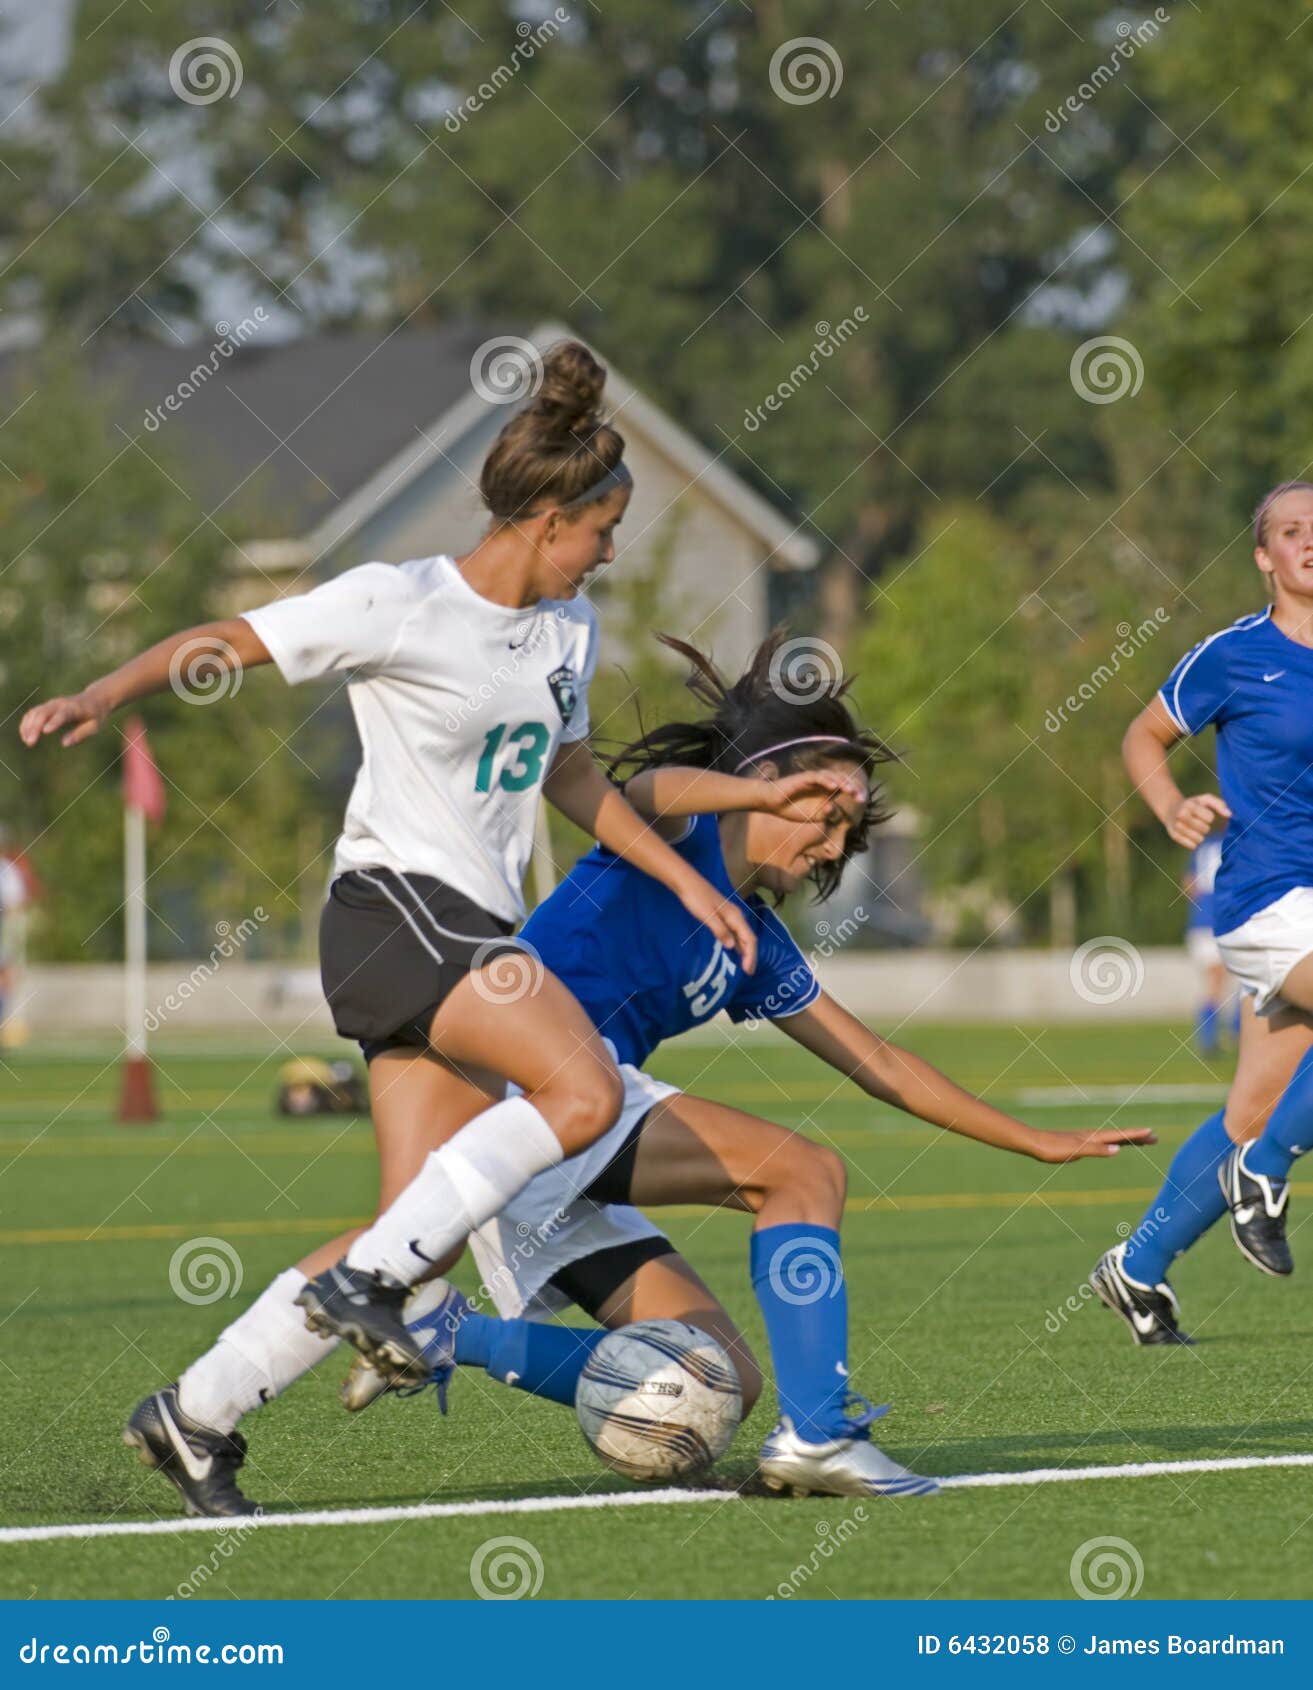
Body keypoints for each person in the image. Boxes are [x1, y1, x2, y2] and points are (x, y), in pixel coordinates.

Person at [20, 341, 793, 1519]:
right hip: (397, 912)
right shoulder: (398, 601)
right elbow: (227, 640)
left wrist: (689, 886)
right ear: (543, 518)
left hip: (461, 933)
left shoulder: (567, 631)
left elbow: (572, 777)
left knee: (416, 1241)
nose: (610, 549)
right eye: (602, 527)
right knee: (580, 1091)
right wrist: (101, 695)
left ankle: (196, 1414)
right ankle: (373, 1287)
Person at [327, 634, 1151, 1504]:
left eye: (847, 830)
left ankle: (445, 1334)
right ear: (764, 783)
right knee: (802, 1173)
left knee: (717, 1376)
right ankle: (822, 1438)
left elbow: (878, 1063)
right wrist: (761, 789)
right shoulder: (676, 842)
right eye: (823, 815)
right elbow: (641, 792)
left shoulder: (756, 939)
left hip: (563, 1133)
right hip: (543, 1092)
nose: (834, 848)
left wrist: (1031, 1141)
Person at [1092, 479, 1313, 1344]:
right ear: (1263, 557)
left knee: (1252, 1107)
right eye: (1291, 531)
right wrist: (1169, 807)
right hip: (1269, 901)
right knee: (1262, 1139)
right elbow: (1141, 736)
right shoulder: (1233, 655)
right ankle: (1260, 1176)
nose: (1310, 542)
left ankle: (1135, 1268)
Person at [1184, 834, 1234, 1058]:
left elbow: (1189, 885)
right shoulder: (1239, 840)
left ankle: (1214, 1036)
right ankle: (1220, 1037)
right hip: (1226, 921)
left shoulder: (1202, 846)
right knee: (1231, 981)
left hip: (1201, 922)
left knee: (1216, 982)